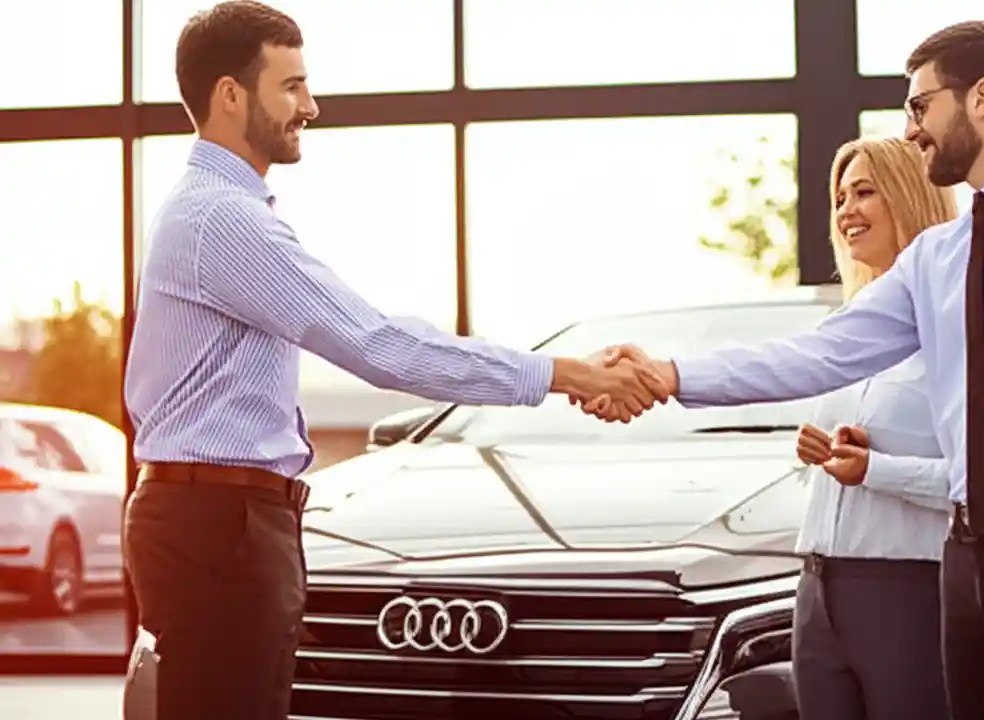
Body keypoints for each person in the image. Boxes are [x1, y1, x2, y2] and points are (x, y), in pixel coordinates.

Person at [585, 20, 984, 720]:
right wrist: (669, 373)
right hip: (967, 559)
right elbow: (821, 352)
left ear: (982, 98)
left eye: (919, 106)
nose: (911, 131)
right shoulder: (939, 256)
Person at [120, 3, 666, 719]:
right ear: (230, 95)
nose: (309, 107)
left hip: (214, 518)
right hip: (221, 525)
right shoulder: (224, 219)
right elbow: (380, 345)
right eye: (290, 87)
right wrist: (568, 374)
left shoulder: (209, 211)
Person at [790, 137, 957, 720]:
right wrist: (818, 451)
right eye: (840, 197)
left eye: (865, 192)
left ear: (911, 198)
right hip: (817, 589)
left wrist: (876, 470)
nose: (846, 210)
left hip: (907, 590)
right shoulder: (844, 328)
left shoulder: (957, 333)